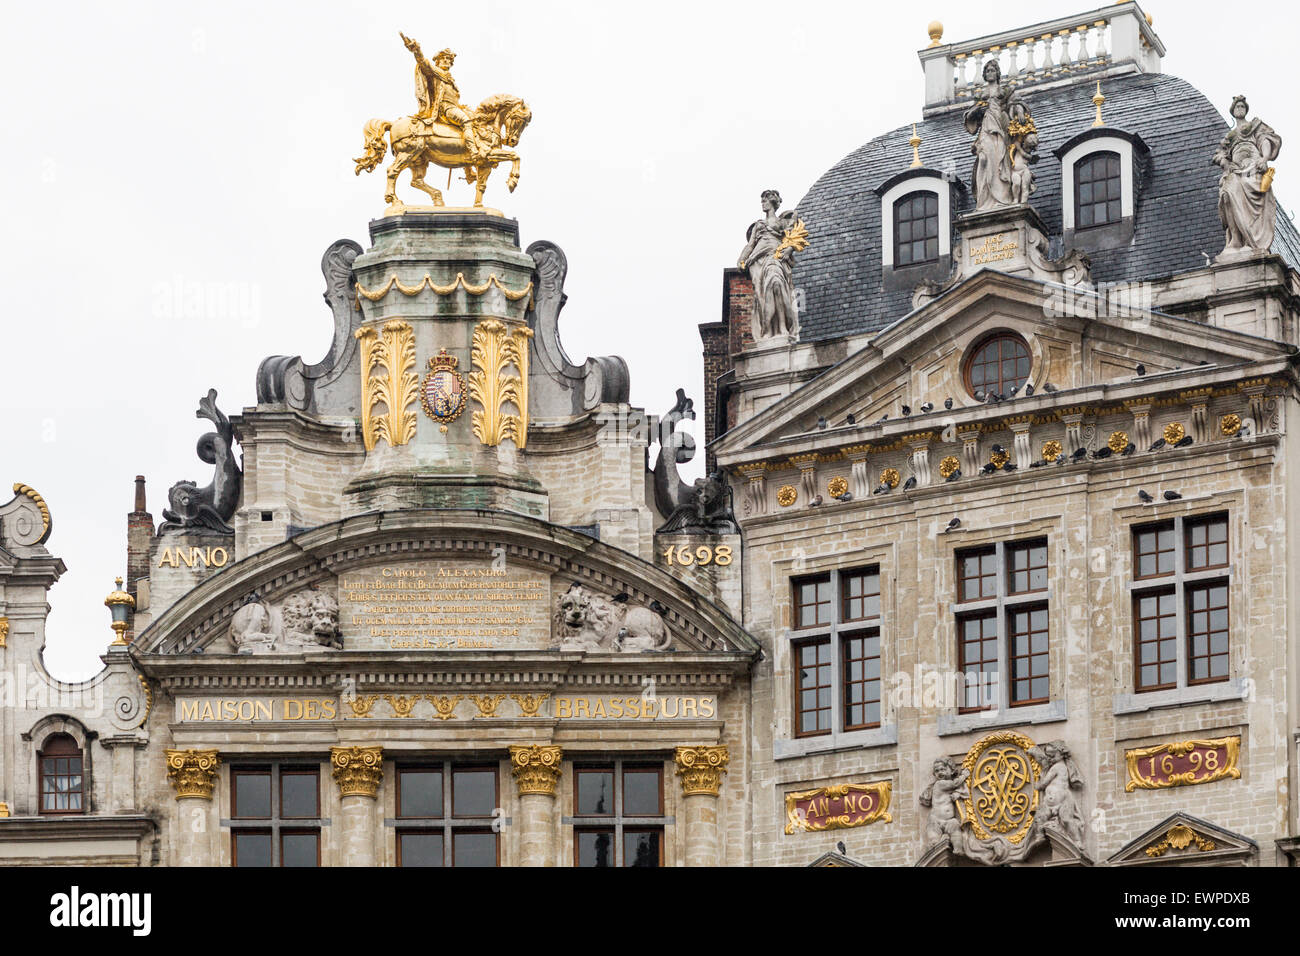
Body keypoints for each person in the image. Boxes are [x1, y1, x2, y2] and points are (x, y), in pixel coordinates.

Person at [1214, 95, 1282, 258]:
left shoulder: (1255, 126)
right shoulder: (1230, 135)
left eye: (1242, 107)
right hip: (1236, 170)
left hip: (1253, 167)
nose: (1240, 109)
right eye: (1237, 107)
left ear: (1245, 110)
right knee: (1227, 192)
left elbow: (1265, 140)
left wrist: (1264, 158)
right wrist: (1225, 162)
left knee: (1248, 193)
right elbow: (1219, 154)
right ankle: (1236, 240)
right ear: (1233, 111)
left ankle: (1250, 242)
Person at [401, 33, 484, 161]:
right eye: (444, 58)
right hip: (445, 108)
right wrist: (417, 50)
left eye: (449, 59)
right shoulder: (435, 72)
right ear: (438, 61)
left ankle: (467, 169)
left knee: (475, 124)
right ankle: (473, 152)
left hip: (454, 107)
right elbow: (423, 63)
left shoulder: (450, 79)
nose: (447, 61)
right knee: (466, 122)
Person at [737, 190, 800, 339]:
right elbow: (751, 245)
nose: (762, 204)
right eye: (762, 201)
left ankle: (783, 326)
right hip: (759, 260)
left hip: (776, 257)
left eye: (764, 201)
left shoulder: (782, 222)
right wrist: (741, 259)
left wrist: (788, 250)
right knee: (763, 294)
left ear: (772, 202)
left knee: (777, 283)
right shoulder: (759, 224)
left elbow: (794, 239)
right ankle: (769, 329)